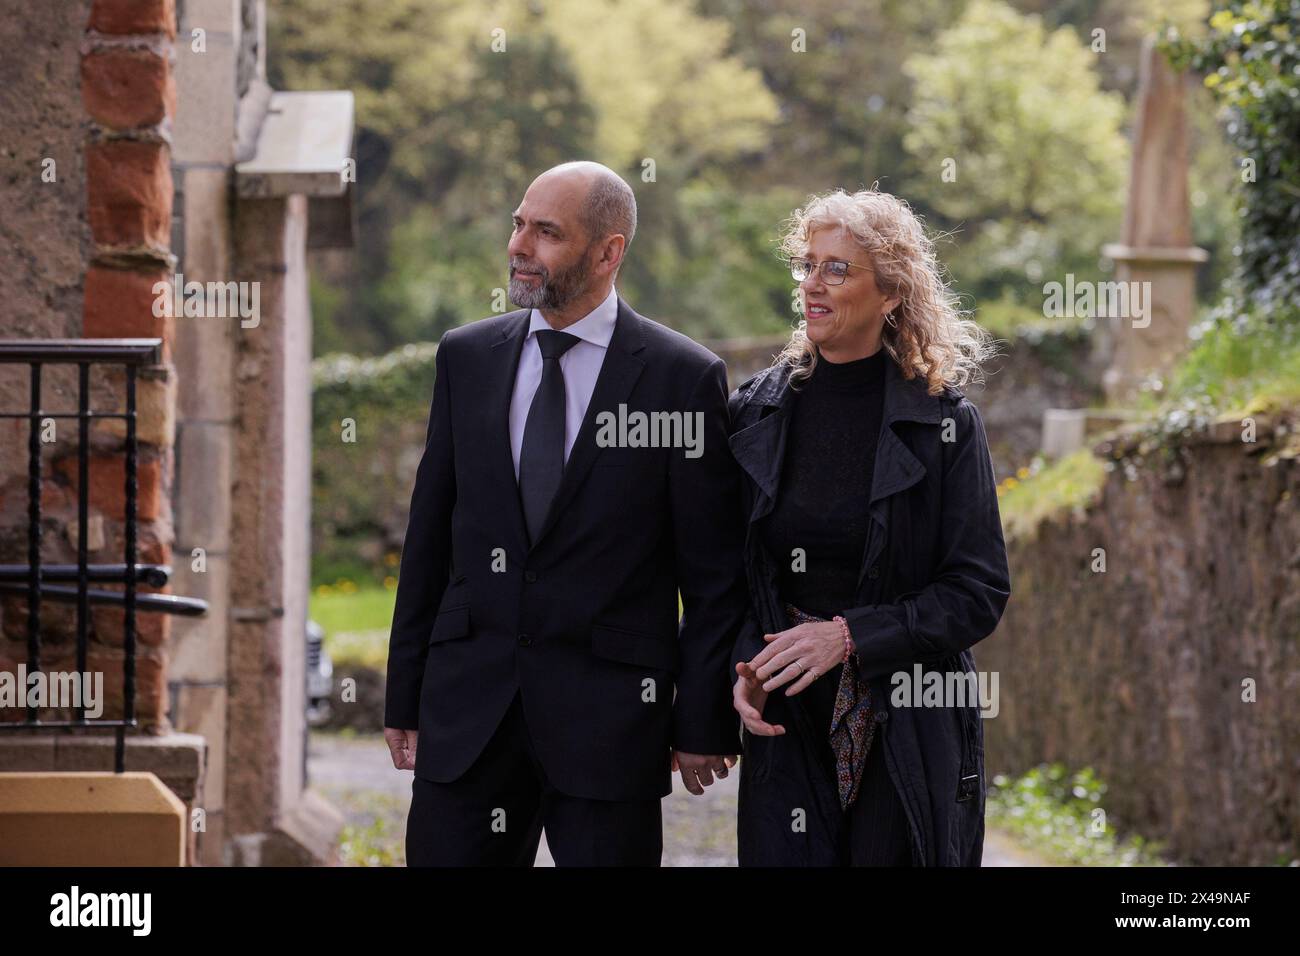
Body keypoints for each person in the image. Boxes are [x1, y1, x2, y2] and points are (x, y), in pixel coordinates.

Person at [384, 161, 747, 866]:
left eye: (548, 232)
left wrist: (701, 720)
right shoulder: (467, 357)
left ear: (609, 252)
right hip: (470, 716)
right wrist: (406, 696)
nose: (520, 245)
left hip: (610, 725)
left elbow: (713, 574)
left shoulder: (682, 377)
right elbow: (428, 537)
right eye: (519, 223)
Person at [728, 186, 1011, 866]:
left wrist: (851, 636)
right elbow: (730, 573)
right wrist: (743, 665)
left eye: (836, 269)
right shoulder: (754, 413)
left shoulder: (943, 424)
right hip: (788, 721)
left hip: (906, 720)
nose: (811, 285)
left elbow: (978, 590)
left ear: (891, 294)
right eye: (806, 264)